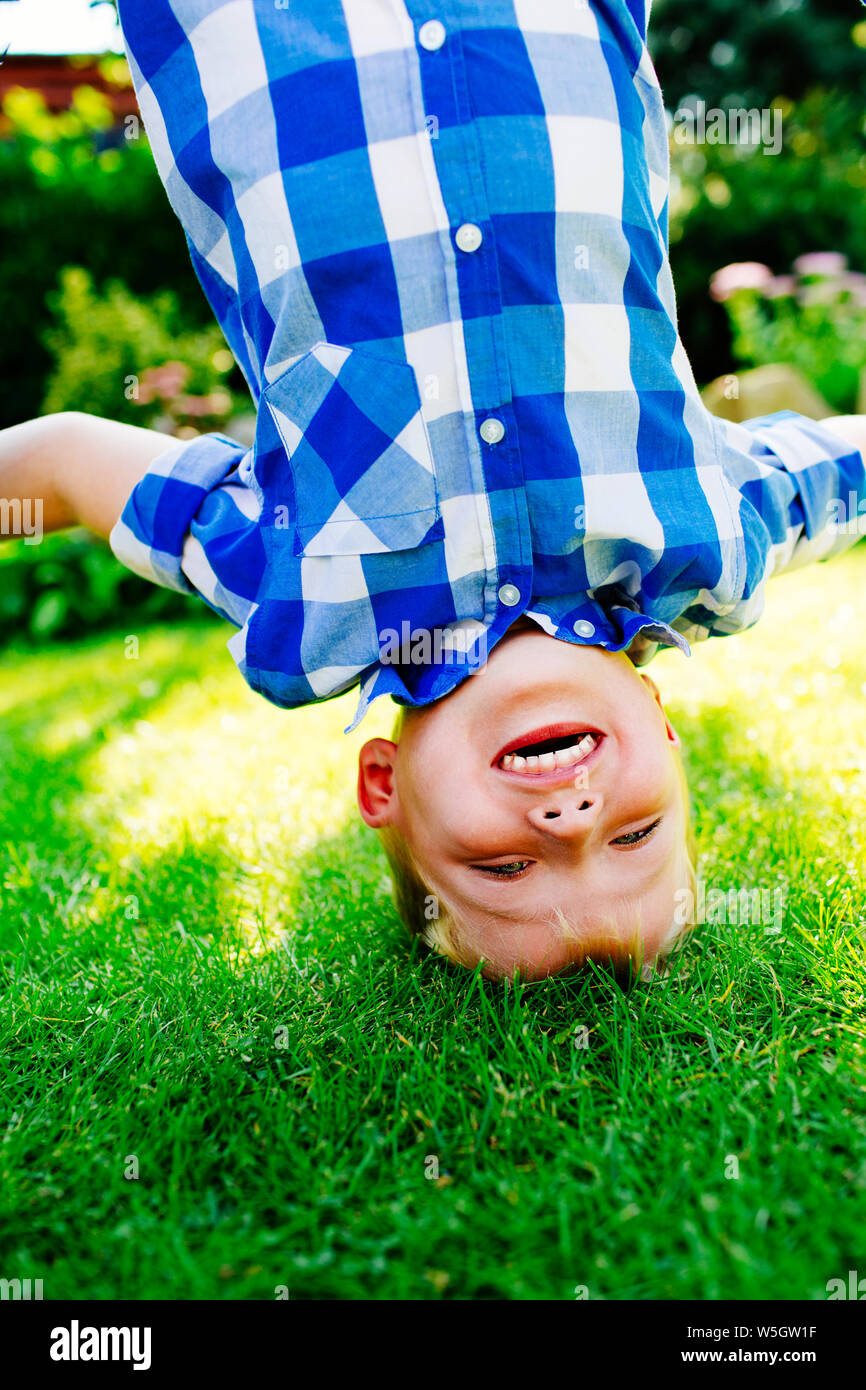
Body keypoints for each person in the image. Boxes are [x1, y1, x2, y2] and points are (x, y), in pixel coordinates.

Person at [2, 0, 864, 980]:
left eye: (502, 866)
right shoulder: (711, 540)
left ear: (384, 786)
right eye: (634, 838)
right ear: (664, 736)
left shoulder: (305, 610)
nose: (570, 818)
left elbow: (69, 464)